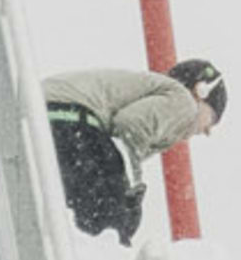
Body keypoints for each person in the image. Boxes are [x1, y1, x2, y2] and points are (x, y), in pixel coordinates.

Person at [43, 59, 226, 243]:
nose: (208, 131)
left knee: (88, 213)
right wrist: (131, 188)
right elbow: (128, 127)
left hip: (48, 115)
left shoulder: (155, 92)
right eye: (212, 118)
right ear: (200, 91)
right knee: (109, 221)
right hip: (73, 121)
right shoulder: (185, 104)